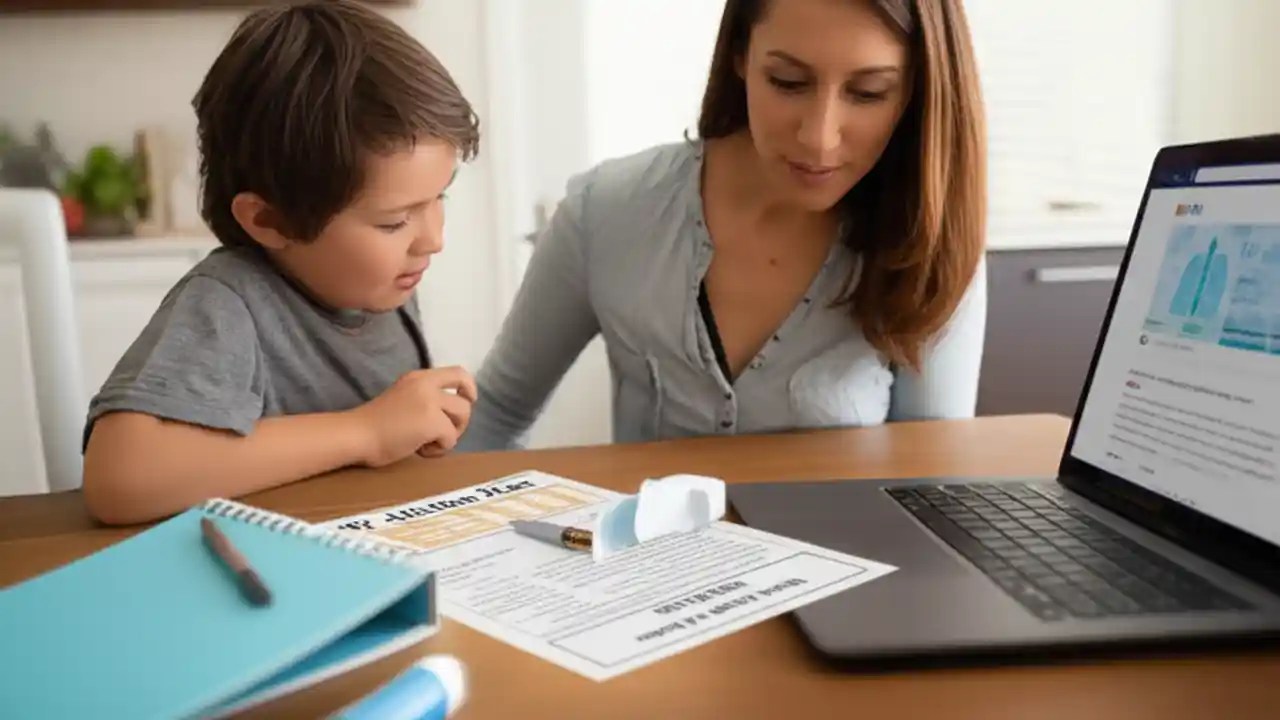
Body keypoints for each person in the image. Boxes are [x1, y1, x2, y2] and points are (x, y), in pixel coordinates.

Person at [459, 0, 987, 452]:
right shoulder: (604, 211)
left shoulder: (930, 241)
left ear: (918, 89)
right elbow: (498, 411)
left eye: (869, 92)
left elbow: (929, 471)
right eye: (788, 82)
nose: (819, 137)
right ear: (740, 55)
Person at [81, 0, 480, 525]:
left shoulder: (379, 284)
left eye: (438, 198)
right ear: (270, 220)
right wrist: (366, 431)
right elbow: (119, 480)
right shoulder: (231, 302)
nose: (433, 239)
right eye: (394, 222)